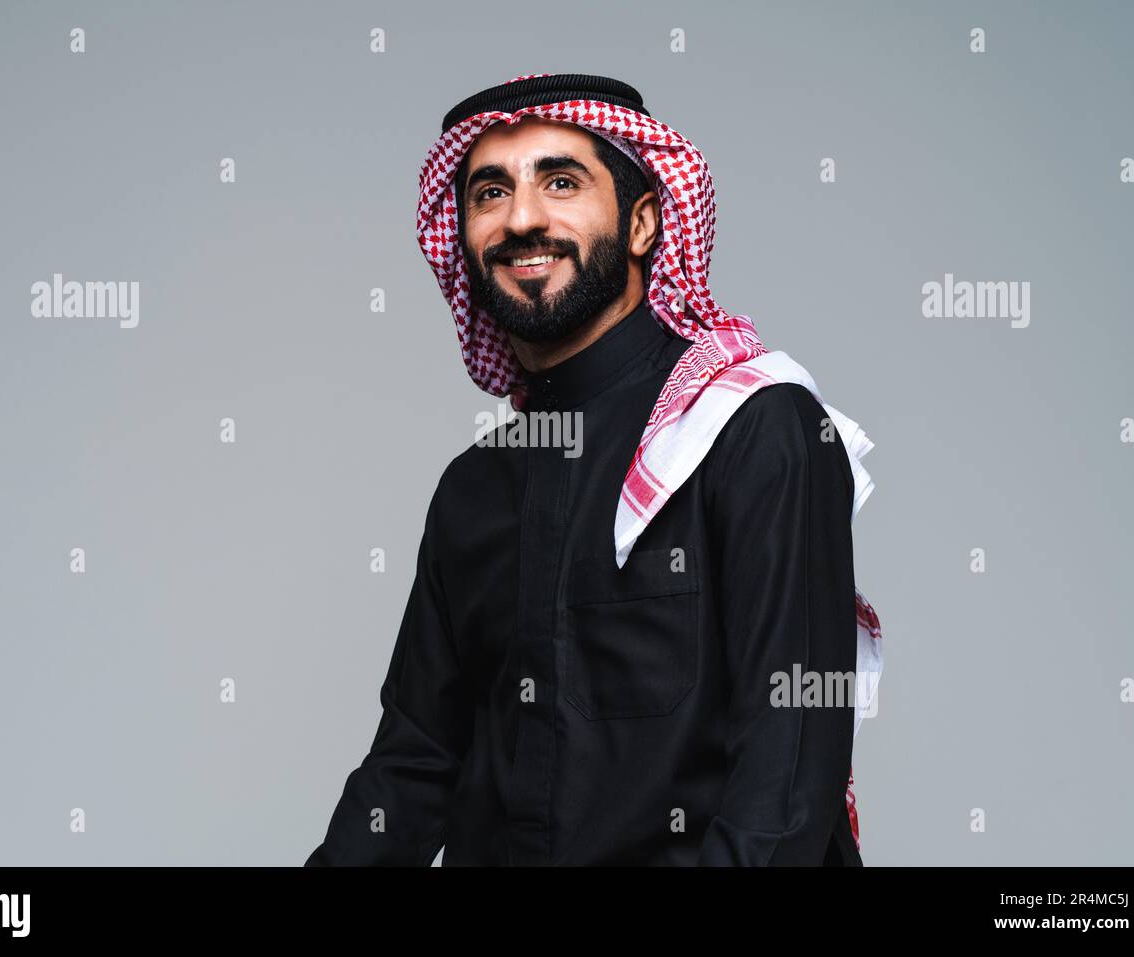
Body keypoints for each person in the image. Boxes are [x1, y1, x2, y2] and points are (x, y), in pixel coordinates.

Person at [305, 73, 882, 866]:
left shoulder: (749, 426)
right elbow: (412, 768)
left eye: (562, 181)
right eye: (489, 193)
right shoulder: (472, 489)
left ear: (644, 222)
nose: (523, 218)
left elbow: (779, 802)